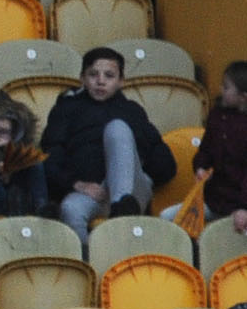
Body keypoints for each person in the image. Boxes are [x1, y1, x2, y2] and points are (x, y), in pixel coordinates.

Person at [42, 45, 177, 241]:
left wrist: (135, 157)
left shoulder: (132, 111)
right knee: (70, 209)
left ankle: (120, 208)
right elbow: (50, 155)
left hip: (131, 192)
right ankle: (90, 264)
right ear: (82, 78)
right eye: (93, 74)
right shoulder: (66, 109)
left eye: (109, 75)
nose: (100, 81)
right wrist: (76, 184)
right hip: (93, 192)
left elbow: (166, 166)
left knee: (117, 128)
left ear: (121, 81)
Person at [197, 61, 247, 235]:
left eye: (226, 88)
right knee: (169, 217)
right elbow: (205, 150)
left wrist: (243, 207)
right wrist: (200, 167)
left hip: (239, 205)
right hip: (214, 199)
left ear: (243, 96)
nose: (220, 89)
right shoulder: (216, 116)